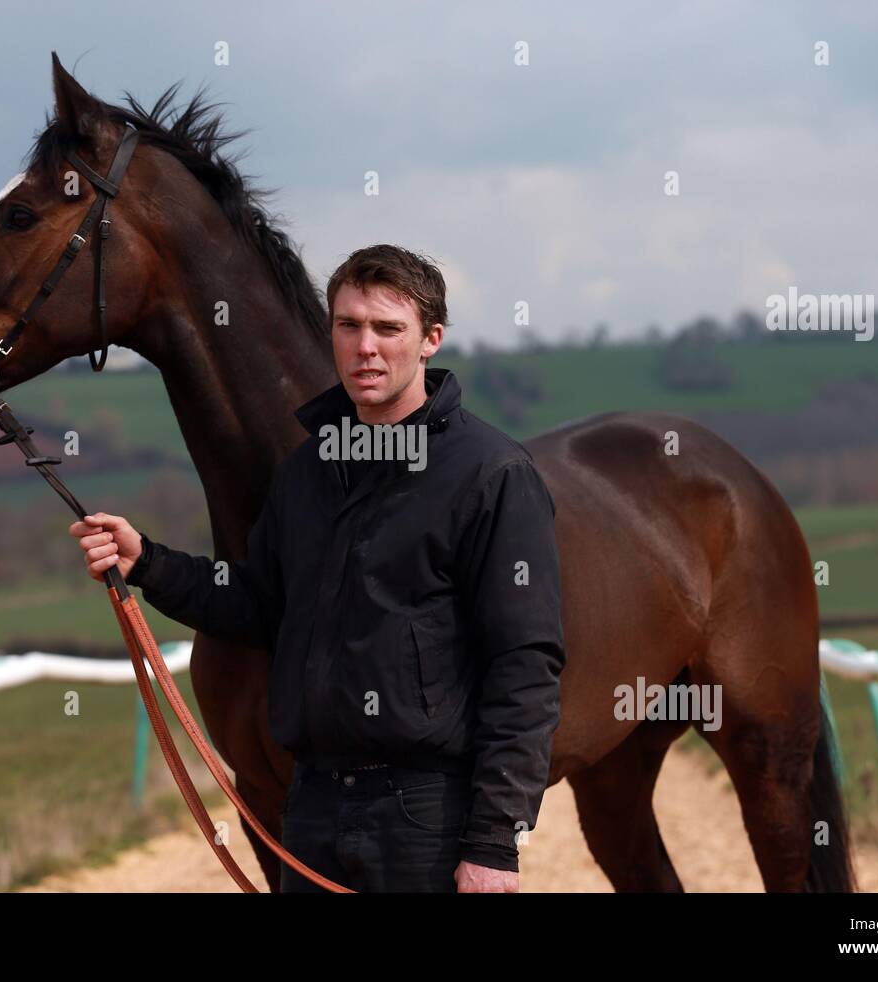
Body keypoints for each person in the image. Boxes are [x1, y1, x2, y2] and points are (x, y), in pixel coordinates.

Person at [70, 244, 564, 893]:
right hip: (311, 807)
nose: (366, 348)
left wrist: (495, 841)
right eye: (349, 325)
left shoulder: (491, 475)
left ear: (430, 341)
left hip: (427, 816)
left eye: (388, 329)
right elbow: (254, 604)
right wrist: (148, 562)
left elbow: (524, 666)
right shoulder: (306, 472)